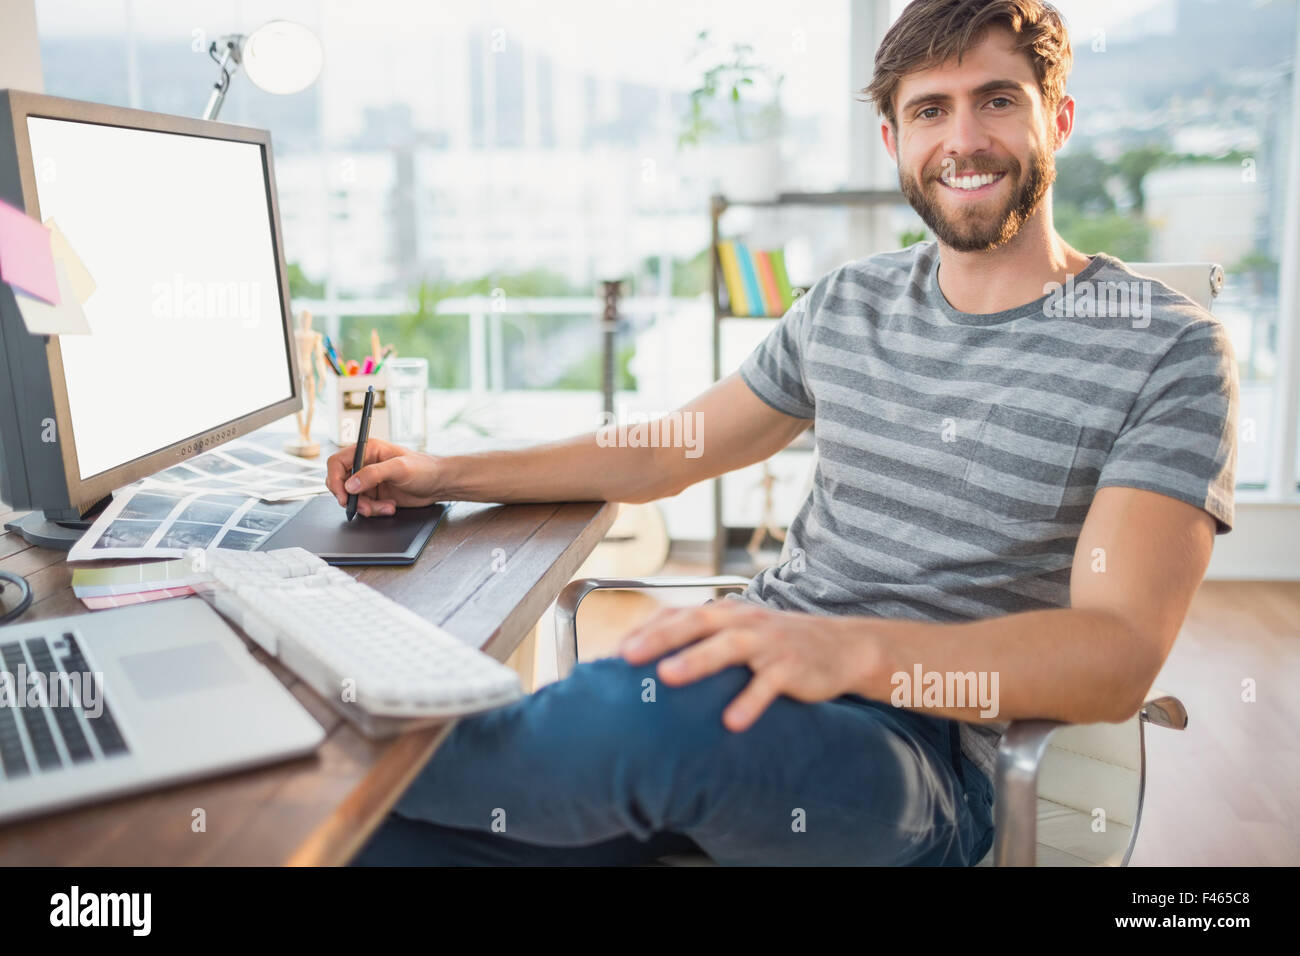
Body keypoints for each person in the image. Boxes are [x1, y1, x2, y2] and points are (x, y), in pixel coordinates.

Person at [329, 0, 1238, 865]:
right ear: (895, 140)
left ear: (1059, 119)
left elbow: (1116, 654)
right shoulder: (850, 303)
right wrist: (444, 470)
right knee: (388, 849)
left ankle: (305, 753)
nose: (963, 140)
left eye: (997, 101)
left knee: (656, 714)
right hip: (752, 689)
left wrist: (845, 649)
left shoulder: (1165, 348)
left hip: (923, 757)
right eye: (931, 111)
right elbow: (661, 449)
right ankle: (312, 787)